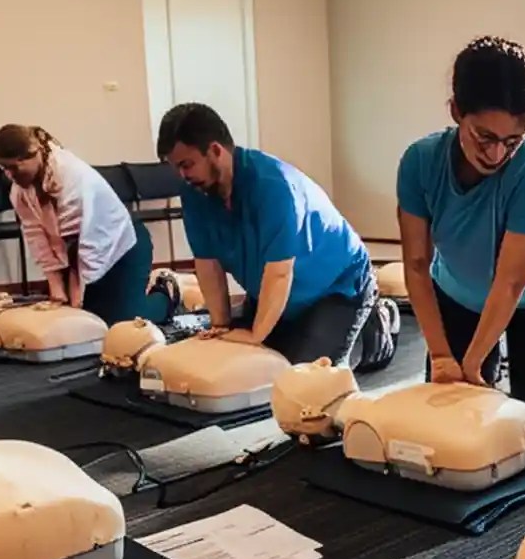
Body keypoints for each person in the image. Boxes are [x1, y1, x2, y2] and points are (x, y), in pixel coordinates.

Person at [396, 36, 525, 452]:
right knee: (451, 420)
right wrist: (443, 357)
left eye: (512, 140)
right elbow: (416, 264)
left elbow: (510, 283)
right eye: (484, 136)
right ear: (456, 112)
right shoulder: (420, 162)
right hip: (457, 295)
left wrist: (474, 361)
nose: (497, 154)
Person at [157, 103, 376, 365]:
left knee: (301, 382)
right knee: (246, 365)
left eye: (187, 164)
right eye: (177, 168)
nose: (183, 175)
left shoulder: (274, 186)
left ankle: (376, 331)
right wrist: (221, 327)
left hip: (337, 288)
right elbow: (207, 263)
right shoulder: (195, 192)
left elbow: (280, 272)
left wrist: (255, 336)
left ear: (215, 151)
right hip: (276, 291)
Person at [0, 124, 171, 325]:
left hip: (123, 246)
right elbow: (37, 239)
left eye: (14, 167)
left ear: (34, 154)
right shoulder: (19, 192)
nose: (9, 175)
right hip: (87, 256)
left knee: (123, 322)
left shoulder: (69, 175)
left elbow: (75, 242)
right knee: (92, 321)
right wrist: (57, 291)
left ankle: (167, 293)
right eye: (3, 168)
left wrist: (76, 299)